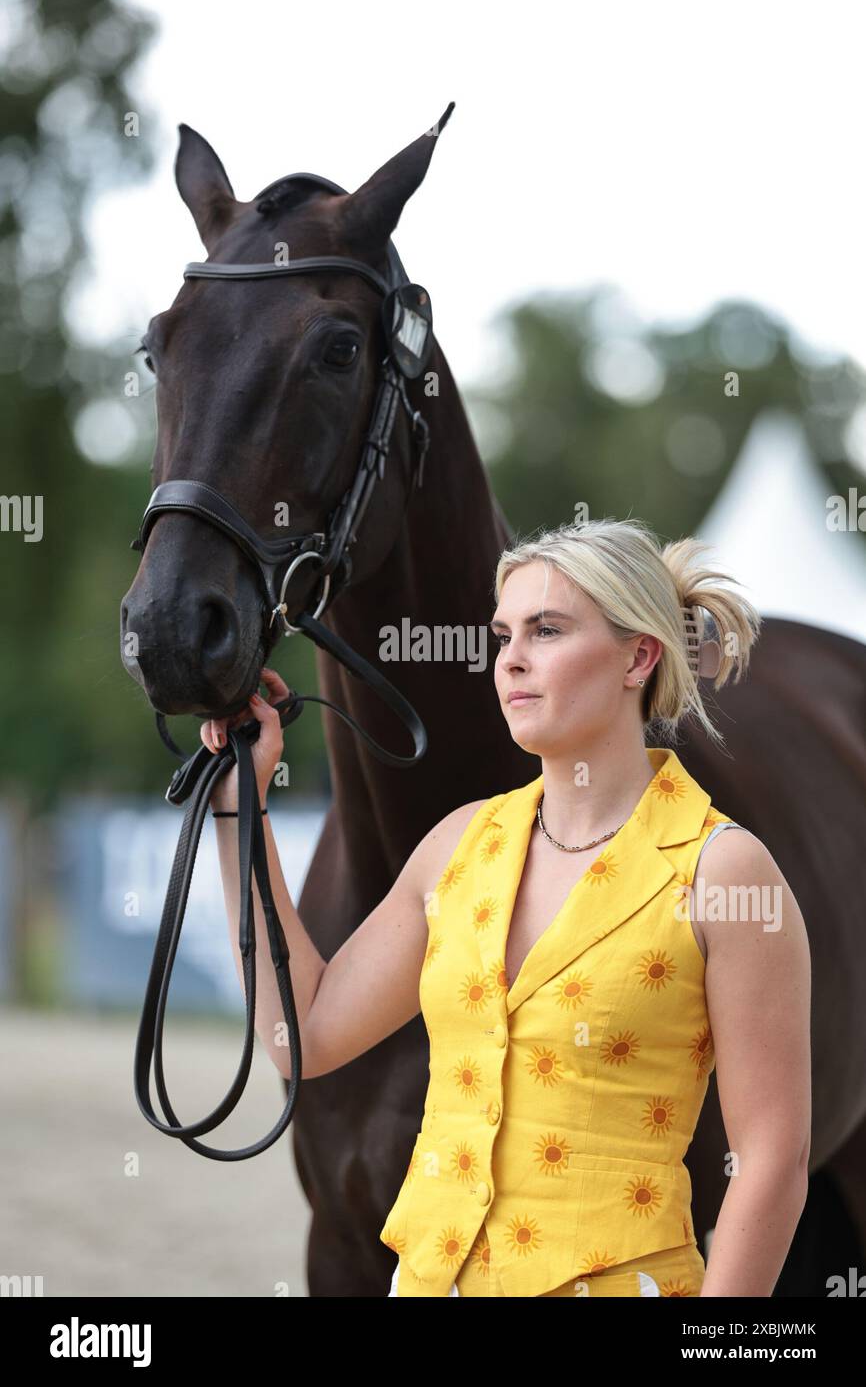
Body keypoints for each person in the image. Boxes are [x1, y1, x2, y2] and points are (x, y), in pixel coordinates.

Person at [203, 516, 812, 1298]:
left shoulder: (723, 872)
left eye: (547, 631)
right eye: (503, 636)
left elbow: (772, 1160)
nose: (512, 661)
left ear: (639, 656)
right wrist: (237, 812)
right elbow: (307, 1032)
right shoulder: (459, 843)